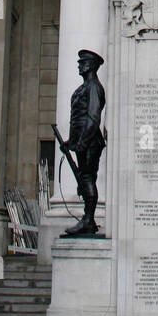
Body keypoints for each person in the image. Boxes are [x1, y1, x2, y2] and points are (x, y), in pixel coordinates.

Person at [61, 50, 106, 237]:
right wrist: (71, 142)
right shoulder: (85, 87)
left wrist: (82, 142)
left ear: (90, 66)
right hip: (83, 140)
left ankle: (88, 220)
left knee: (87, 178)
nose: (79, 65)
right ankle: (89, 220)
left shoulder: (94, 87)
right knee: (86, 178)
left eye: (83, 63)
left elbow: (93, 117)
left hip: (90, 141)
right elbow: (79, 118)